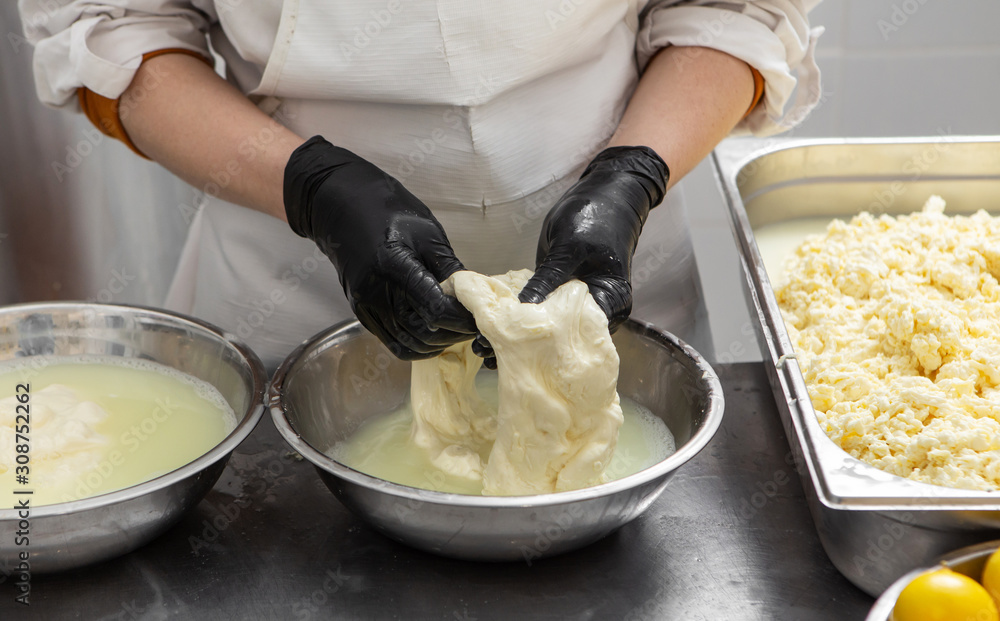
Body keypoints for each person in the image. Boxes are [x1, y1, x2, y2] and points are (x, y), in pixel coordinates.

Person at [19, 1, 822, 372]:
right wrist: (312, 186)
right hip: (291, 292)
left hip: (623, 282)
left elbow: (733, 8)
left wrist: (633, 174)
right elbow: (114, 33)